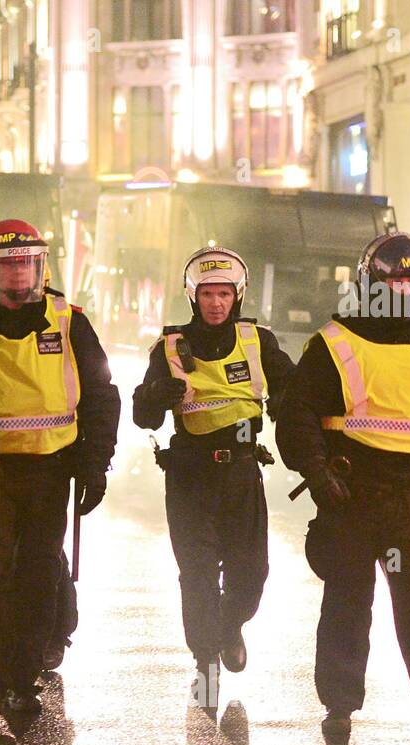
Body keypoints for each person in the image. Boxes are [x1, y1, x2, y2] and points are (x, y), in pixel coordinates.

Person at [276, 231, 410, 745]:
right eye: (393, 279)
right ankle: (340, 703)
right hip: (350, 497)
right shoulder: (335, 342)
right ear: (371, 282)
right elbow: (297, 416)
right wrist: (317, 473)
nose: (402, 288)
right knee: (348, 604)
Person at [0, 219, 120, 716]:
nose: (19, 275)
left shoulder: (69, 320)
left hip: (52, 472)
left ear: (40, 267)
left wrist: (94, 463)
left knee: (38, 576)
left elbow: (101, 395)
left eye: (26, 263)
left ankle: (23, 681)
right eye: (8, 265)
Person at [132, 247, 295, 711]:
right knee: (198, 574)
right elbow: (142, 415)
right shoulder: (169, 346)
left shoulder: (257, 340)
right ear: (193, 296)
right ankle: (206, 659)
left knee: (252, 573)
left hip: (242, 471)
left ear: (237, 295)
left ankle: (230, 627)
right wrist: (156, 395)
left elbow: (293, 386)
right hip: (189, 473)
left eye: (224, 293)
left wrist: (285, 402)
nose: (216, 303)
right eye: (207, 294)